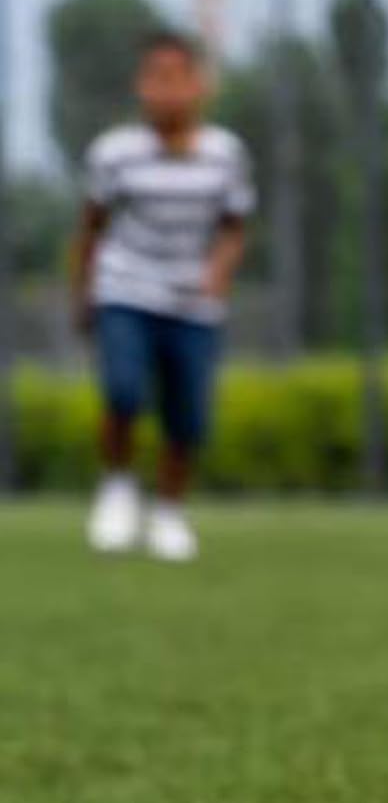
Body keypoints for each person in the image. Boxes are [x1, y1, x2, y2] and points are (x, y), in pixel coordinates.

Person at [74, 29, 255, 564]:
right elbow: (90, 228)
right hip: (124, 288)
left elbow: (234, 226)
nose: (163, 90)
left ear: (199, 86)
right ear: (139, 86)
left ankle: (169, 512)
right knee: (124, 392)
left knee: (188, 417)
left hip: (193, 299)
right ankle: (117, 486)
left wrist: (219, 271)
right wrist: (83, 293)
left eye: (175, 78)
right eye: (153, 78)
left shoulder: (226, 156)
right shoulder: (114, 154)